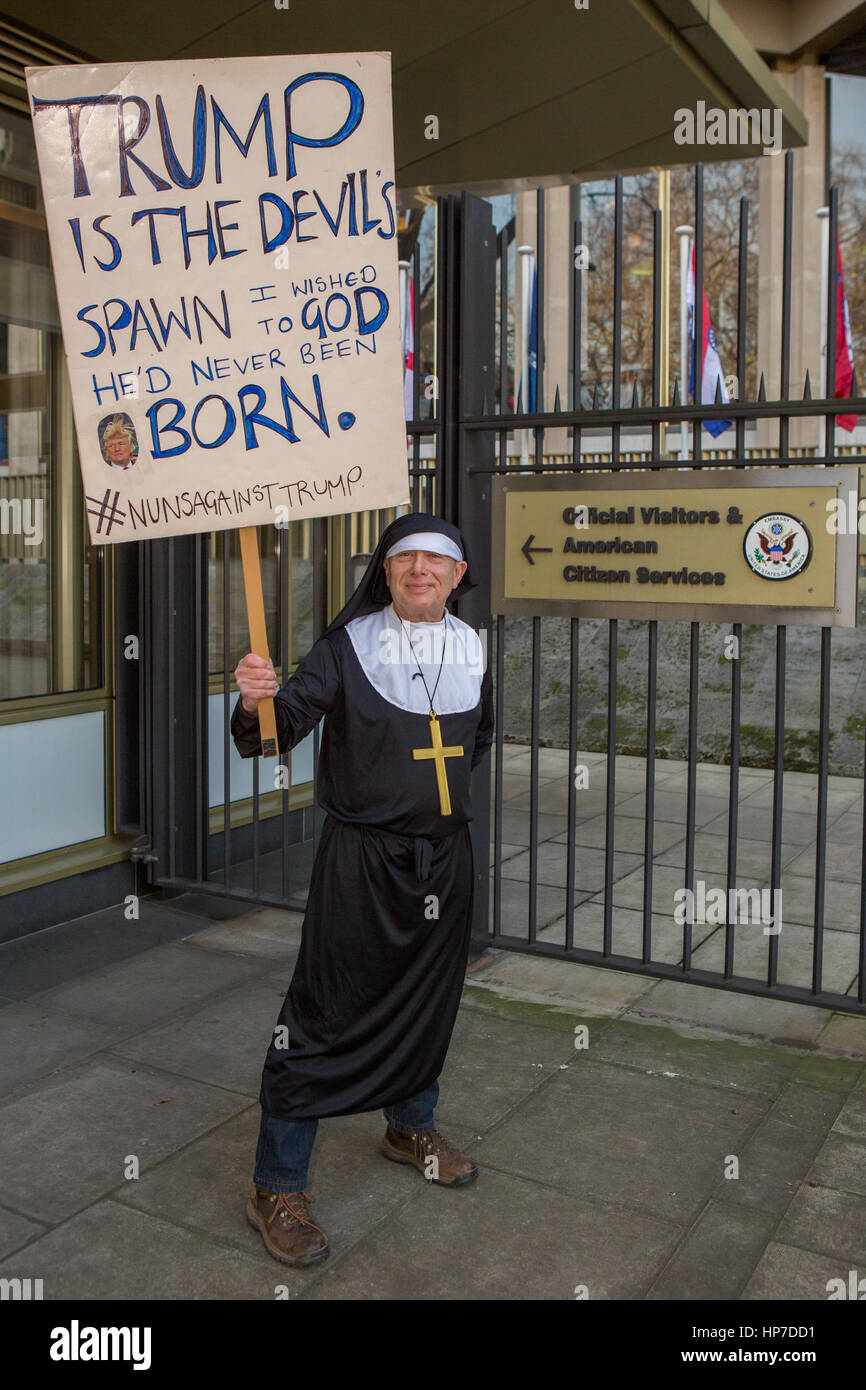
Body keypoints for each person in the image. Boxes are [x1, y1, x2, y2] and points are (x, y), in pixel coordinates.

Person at [231, 512, 494, 1266]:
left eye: (435, 562)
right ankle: (275, 1186)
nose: (420, 572)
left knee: (428, 999)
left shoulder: (472, 647)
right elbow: (277, 733)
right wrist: (257, 699)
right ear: (384, 572)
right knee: (321, 1013)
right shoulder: (347, 648)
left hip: (445, 859)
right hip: (362, 861)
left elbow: (478, 739)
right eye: (405, 560)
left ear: (458, 576)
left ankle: (408, 1126)